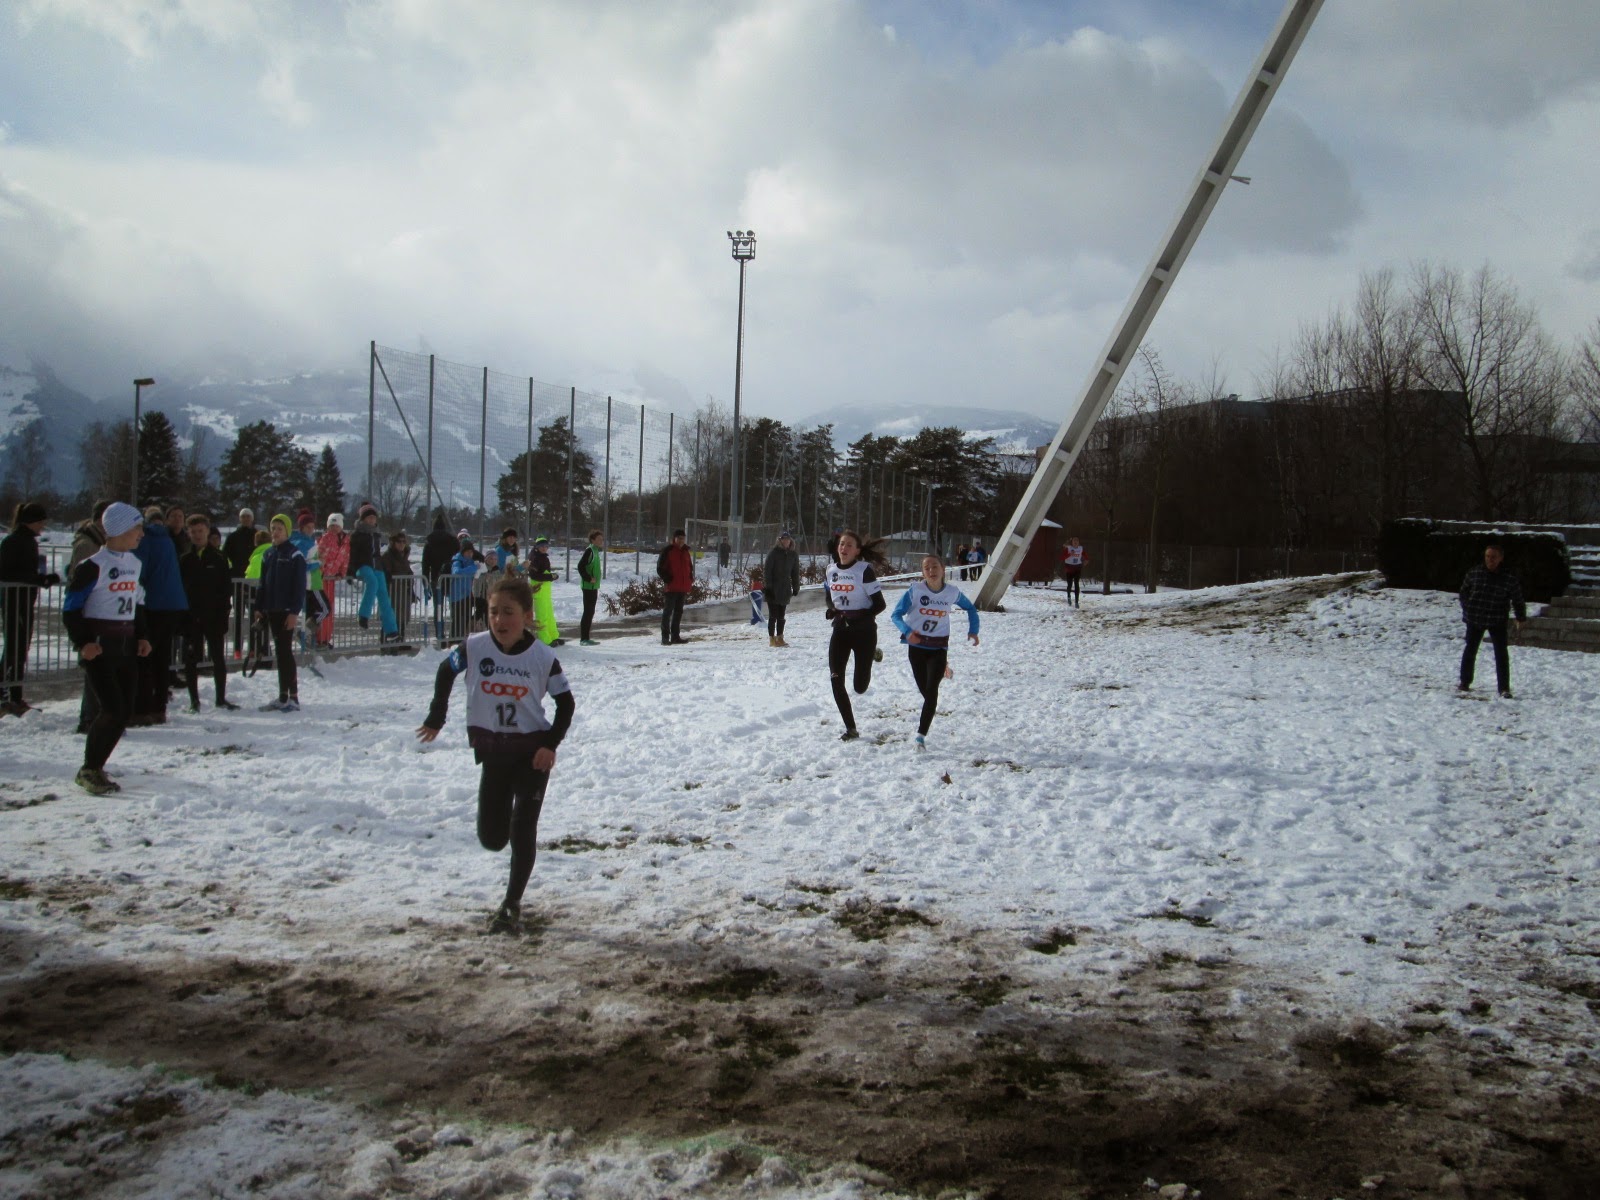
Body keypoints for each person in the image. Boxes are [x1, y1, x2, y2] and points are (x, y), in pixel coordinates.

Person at [415, 574, 575, 934]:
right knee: (491, 838)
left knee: (522, 829)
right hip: (494, 754)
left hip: (531, 754)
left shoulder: (542, 657)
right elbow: (445, 671)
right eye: (493, 612)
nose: (499, 620)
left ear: (527, 615)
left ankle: (511, 903)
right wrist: (437, 715)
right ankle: (505, 857)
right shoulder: (474, 647)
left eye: (508, 612)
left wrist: (550, 745)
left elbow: (566, 704)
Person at [62, 502, 151, 795]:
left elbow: (137, 603)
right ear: (120, 529)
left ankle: (97, 766)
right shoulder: (92, 566)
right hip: (100, 646)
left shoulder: (134, 563)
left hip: (126, 644)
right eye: (137, 528)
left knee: (124, 711)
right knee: (112, 709)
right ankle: (89, 768)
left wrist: (142, 636)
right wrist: (83, 642)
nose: (141, 534)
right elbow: (71, 608)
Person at [891, 554, 980, 747]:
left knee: (931, 694)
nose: (931, 571)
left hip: (939, 647)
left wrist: (973, 630)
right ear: (923, 572)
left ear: (943, 569)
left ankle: (920, 736)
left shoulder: (952, 592)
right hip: (917, 648)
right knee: (926, 693)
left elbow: (971, 609)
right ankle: (942, 670)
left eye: (935, 567)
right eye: (927, 568)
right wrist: (907, 631)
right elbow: (896, 614)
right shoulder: (915, 591)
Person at [824, 529, 890, 741]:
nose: (844, 548)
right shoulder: (831, 570)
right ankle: (851, 728)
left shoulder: (864, 571)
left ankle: (872, 653)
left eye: (849, 545)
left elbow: (880, 604)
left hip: (864, 632)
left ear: (857, 551)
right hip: (841, 630)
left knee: (859, 687)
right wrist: (832, 609)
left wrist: (859, 617)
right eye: (842, 544)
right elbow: (830, 597)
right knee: (836, 679)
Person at [1, 501, 63, 716]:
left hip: (25, 599)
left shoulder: (28, 542)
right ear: (30, 521)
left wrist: (41, 579)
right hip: (14, 599)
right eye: (40, 521)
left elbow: (27, 572)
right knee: (14, 647)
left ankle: (14, 695)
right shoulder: (13, 541)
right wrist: (38, 579)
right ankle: (8, 694)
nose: (42, 526)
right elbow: (7, 572)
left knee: (20, 647)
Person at [132, 504, 187, 725]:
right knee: (163, 657)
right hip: (173, 604)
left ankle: (143, 707)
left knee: (145, 657)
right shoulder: (166, 540)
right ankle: (159, 706)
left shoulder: (145, 541)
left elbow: (138, 573)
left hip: (153, 605)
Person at [179, 513, 237, 712]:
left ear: (207, 531)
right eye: (193, 532)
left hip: (214, 617)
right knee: (191, 660)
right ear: (189, 533)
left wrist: (224, 615)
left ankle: (220, 698)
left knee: (218, 658)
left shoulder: (219, 557)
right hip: (191, 618)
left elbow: (226, 589)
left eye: (201, 531)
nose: (197, 535)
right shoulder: (185, 560)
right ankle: (194, 701)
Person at [252, 514, 308, 711]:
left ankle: (292, 697)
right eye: (273, 528)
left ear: (287, 531)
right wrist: (259, 607)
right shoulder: (268, 554)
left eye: (279, 529)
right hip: (271, 609)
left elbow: (299, 587)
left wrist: (293, 612)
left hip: (286, 611)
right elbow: (262, 583)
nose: (275, 532)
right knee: (281, 652)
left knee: (285, 652)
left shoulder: (295, 554)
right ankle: (283, 695)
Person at [1459, 542, 1526, 699]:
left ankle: (1504, 688)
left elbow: (1517, 599)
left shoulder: (1508, 578)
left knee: (1501, 654)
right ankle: (1464, 682)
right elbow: (1464, 592)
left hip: (1497, 620)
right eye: (1488, 556)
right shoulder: (1474, 573)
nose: (1490, 560)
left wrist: (1520, 617)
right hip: (1475, 618)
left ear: (1501, 558)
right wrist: (1468, 608)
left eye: (1494, 557)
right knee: (1470, 650)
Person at [70, 501, 112, 733]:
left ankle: (98, 715)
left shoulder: (100, 543)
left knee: (100, 666)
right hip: (89, 614)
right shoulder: (88, 545)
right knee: (93, 666)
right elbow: (78, 582)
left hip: (100, 612)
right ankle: (89, 718)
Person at [348, 503, 400, 642]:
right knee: (372, 583)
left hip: (376, 566)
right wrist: (350, 569)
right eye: (369, 517)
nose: (372, 520)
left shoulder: (376, 534)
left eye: (373, 517)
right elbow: (352, 554)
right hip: (363, 565)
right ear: (363, 519)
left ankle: (391, 630)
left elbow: (377, 554)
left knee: (384, 596)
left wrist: (385, 569)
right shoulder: (357, 534)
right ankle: (363, 615)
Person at [291, 510, 327, 651]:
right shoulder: (301, 543)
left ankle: (309, 640)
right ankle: (303, 633)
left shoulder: (309, 541)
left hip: (313, 581)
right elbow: (302, 565)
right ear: (301, 527)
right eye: (308, 527)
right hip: (310, 583)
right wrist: (318, 563)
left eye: (312, 527)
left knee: (312, 613)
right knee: (324, 609)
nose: (311, 530)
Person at [223, 509, 258, 657]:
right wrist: (231, 571)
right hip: (237, 581)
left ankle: (252, 648)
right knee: (238, 616)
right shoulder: (233, 537)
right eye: (243, 516)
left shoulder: (257, 535)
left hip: (253, 581)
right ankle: (237, 648)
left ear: (252, 518)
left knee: (253, 617)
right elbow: (224, 555)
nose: (245, 519)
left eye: (248, 516)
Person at [421, 512, 458, 646]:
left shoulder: (429, 542)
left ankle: (440, 635)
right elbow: (458, 557)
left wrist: (425, 582)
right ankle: (455, 634)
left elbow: (425, 564)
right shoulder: (453, 541)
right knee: (455, 607)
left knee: (438, 608)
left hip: (436, 578)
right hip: (452, 577)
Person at [762, 530, 801, 648]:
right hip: (773, 588)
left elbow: (795, 572)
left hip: (785, 589)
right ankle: (772, 638)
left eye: (788, 539)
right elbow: (767, 571)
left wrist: (796, 586)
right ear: (779, 540)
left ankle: (780, 637)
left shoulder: (793, 555)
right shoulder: (773, 553)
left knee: (781, 615)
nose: (786, 541)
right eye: (783, 539)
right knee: (773, 615)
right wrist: (768, 587)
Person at [316, 513, 349, 648]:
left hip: (332, 579)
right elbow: (320, 556)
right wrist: (321, 571)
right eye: (332, 525)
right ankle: (319, 638)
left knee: (329, 608)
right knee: (323, 607)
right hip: (323, 578)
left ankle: (326, 638)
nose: (334, 528)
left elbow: (345, 558)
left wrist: (342, 572)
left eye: (337, 525)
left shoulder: (345, 541)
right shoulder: (325, 538)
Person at [657, 529, 694, 646]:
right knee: (667, 612)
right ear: (674, 539)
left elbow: (690, 568)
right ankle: (665, 637)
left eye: (683, 538)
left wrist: (690, 579)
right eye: (679, 538)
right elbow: (660, 568)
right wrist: (668, 579)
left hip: (682, 587)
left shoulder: (686, 551)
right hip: (671, 587)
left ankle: (675, 636)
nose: (681, 540)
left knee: (678, 612)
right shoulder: (668, 551)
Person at [379, 530, 416, 642]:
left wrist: (411, 588)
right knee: (391, 617)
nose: (401, 544)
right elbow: (386, 572)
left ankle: (400, 640)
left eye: (404, 541)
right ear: (393, 543)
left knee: (403, 618)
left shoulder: (404, 556)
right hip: (392, 591)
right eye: (399, 541)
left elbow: (408, 572)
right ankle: (386, 641)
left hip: (404, 592)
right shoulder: (388, 556)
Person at [527, 535, 561, 645]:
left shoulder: (543, 557)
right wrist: (550, 577)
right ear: (537, 547)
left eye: (546, 546)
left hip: (545, 592)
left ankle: (553, 636)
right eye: (541, 546)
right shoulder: (535, 558)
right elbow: (534, 575)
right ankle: (545, 640)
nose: (544, 548)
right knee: (542, 616)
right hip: (539, 591)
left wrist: (551, 576)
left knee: (549, 615)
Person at [448, 535, 481, 642]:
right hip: (457, 596)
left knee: (465, 620)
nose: (470, 554)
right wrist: (473, 568)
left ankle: (460, 641)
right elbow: (457, 572)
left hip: (467, 595)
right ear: (463, 552)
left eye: (471, 552)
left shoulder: (471, 562)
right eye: (467, 552)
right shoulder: (457, 561)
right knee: (457, 621)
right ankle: (452, 642)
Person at [576, 529, 605, 645]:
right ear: (592, 540)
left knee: (590, 612)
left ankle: (586, 638)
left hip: (594, 587)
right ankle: (583, 639)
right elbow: (580, 566)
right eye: (599, 539)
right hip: (588, 587)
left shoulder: (596, 551)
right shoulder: (590, 551)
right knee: (587, 612)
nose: (601, 541)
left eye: (602, 539)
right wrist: (588, 578)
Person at [1060, 536, 1087, 607]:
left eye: (1077, 541)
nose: (1075, 542)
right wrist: (1070, 554)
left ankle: (1076, 602)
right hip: (1069, 568)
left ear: (1078, 542)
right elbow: (1062, 558)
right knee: (1069, 584)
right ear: (1072, 542)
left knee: (1076, 584)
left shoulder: (1080, 549)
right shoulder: (1068, 549)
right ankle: (1069, 597)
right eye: (1074, 541)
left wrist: (1086, 561)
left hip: (1077, 568)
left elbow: (1086, 556)